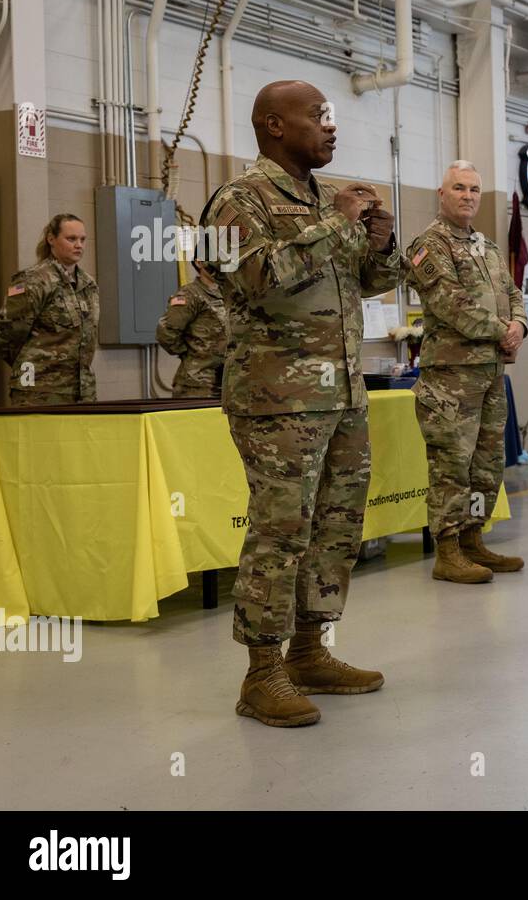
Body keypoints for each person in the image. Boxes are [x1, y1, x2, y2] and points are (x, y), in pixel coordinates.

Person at [200, 80, 403, 728]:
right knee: (280, 531)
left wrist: (379, 243)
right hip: (277, 399)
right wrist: (337, 224)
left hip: (342, 393)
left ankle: (311, 651)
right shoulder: (237, 200)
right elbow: (259, 280)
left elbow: (365, 284)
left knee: (335, 524)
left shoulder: (321, 199)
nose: (330, 127)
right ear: (274, 126)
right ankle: (262, 673)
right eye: (317, 117)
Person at [406, 160, 527, 583]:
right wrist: (503, 333)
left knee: (486, 463)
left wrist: (521, 325)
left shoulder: (486, 246)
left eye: (474, 189)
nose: (468, 196)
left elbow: (512, 292)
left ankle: (473, 539)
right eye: (459, 188)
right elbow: (450, 304)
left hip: (491, 374)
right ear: (442, 194)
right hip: (451, 377)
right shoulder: (428, 245)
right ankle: (448, 550)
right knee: (451, 465)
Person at [0, 214, 98, 406]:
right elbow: (7, 334)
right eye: (71, 239)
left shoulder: (88, 284)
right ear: (51, 239)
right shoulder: (34, 280)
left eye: (82, 239)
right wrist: (33, 362)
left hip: (81, 391)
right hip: (39, 390)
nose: (79, 245)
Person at [155, 258, 229, 398]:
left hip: (226, 382)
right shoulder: (190, 294)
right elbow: (166, 332)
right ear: (199, 262)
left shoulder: (229, 293)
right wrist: (192, 353)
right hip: (197, 384)